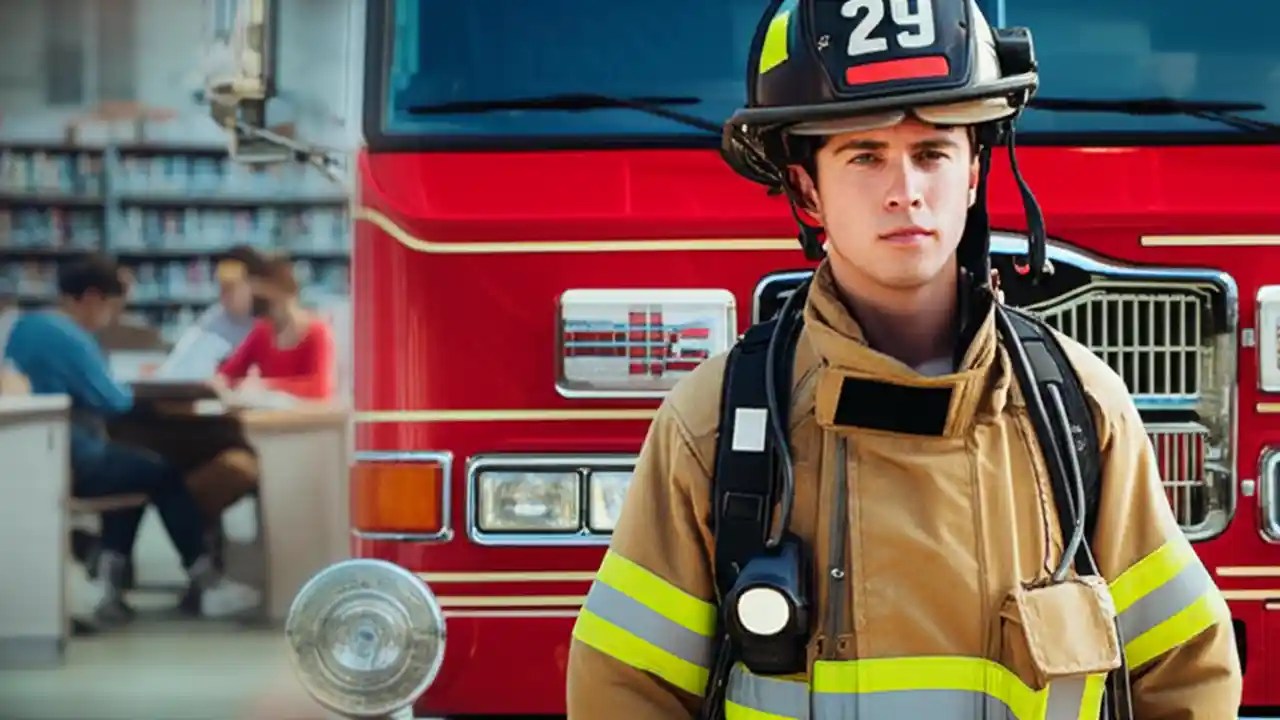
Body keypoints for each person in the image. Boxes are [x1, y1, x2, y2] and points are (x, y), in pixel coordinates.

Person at [565, 1, 1242, 718]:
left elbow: (1183, 673)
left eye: (932, 154)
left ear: (974, 173)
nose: (905, 191)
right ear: (806, 190)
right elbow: (626, 692)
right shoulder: (714, 429)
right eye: (864, 155)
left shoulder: (1078, 413)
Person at [2, 254, 261, 624]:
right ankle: (207, 582)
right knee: (162, 474)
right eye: (110, 307)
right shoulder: (70, 337)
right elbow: (114, 401)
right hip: (74, 454)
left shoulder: (26, 326)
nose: (109, 318)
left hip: (41, 452)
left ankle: (109, 584)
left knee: (132, 473)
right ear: (91, 298)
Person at [216, 254, 336, 400]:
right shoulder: (262, 332)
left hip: (307, 419)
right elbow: (229, 374)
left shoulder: (317, 332)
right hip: (270, 419)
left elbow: (319, 388)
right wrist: (218, 382)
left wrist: (268, 386)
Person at [154, 245, 266, 379]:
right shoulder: (212, 324)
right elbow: (173, 373)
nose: (224, 295)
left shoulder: (273, 323)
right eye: (222, 288)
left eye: (231, 288)